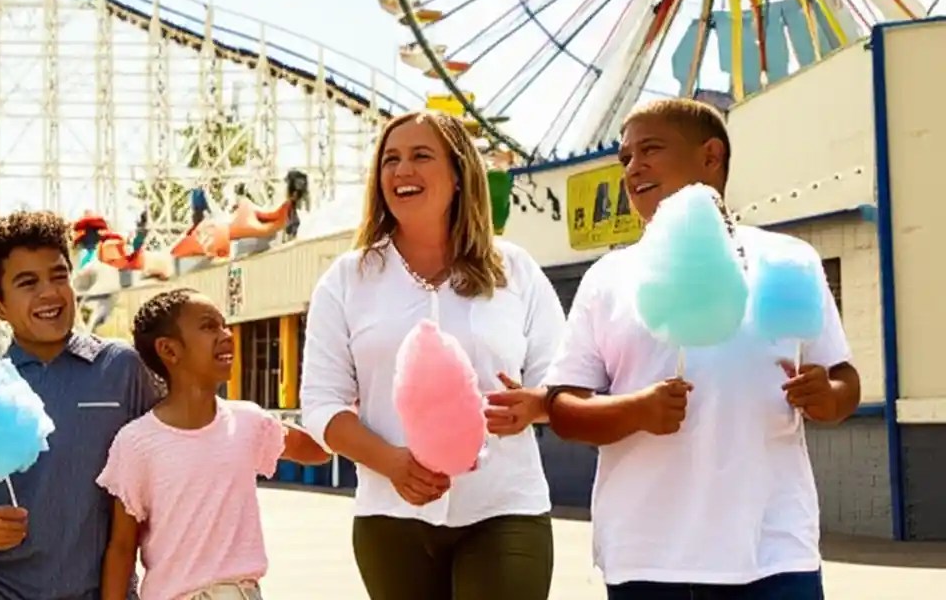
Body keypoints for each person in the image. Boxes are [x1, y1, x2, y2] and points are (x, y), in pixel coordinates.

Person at [544, 98, 861, 599]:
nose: (633, 168)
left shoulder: (789, 259)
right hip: (648, 555)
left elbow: (843, 377)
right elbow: (561, 408)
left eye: (650, 149)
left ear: (710, 157)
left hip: (773, 549)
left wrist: (830, 396)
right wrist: (636, 410)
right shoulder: (609, 276)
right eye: (625, 158)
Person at [299, 110, 567, 600]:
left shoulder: (517, 271)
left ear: (460, 173)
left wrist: (539, 403)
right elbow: (320, 404)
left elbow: (562, 374)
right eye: (391, 160)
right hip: (390, 517)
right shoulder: (346, 279)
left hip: (504, 504)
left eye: (421, 156)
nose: (402, 171)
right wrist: (391, 463)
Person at [0, 210, 163, 600]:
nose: (49, 293)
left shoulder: (122, 368)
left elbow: (172, 452)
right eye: (27, 283)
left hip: (101, 590)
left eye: (58, 276)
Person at [97, 288, 331, 600]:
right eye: (209, 326)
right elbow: (122, 548)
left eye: (224, 324)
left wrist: (345, 403)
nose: (227, 335)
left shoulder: (249, 422)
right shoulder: (136, 443)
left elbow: (319, 450)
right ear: (169, 350)